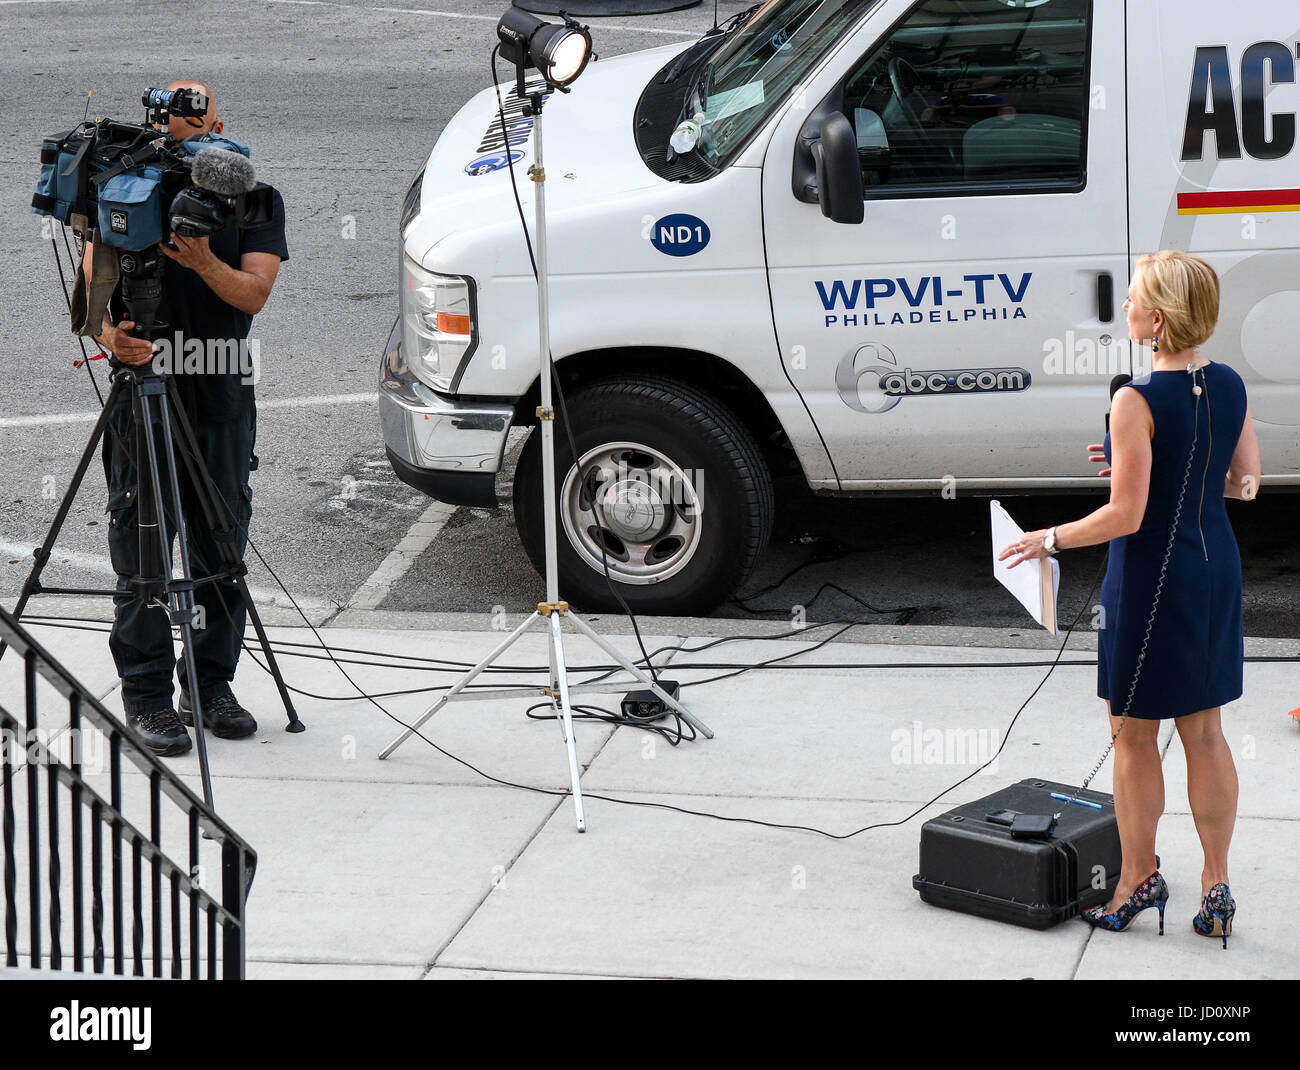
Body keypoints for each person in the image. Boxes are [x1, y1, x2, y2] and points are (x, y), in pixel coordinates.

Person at [999, 251, 1260, 948]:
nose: (1126, 308)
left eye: (1135, 298)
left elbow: (1127, 517)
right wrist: (1152, 468)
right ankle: (1216, 884)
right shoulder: (1230, 383)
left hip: (1151, 582)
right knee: (1205, 732)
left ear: (1160, 317)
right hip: (1214, 570)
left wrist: (1046, 538)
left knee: (1133, 735)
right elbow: (1246, 482)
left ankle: (1135, 879)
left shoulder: (1134, 398)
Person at [86, 80, 289, 757]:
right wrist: (115, 341)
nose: (186, 135)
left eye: (198, 122)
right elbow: (92, 298)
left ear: (221, 126)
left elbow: (254, 292)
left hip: (222, 390)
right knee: (143, 547)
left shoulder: (255, 196)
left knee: (221, 546)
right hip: (145, 387)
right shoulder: (126, 186)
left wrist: (202, 261)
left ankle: (209, 686)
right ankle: (146, 696)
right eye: (174, 122)